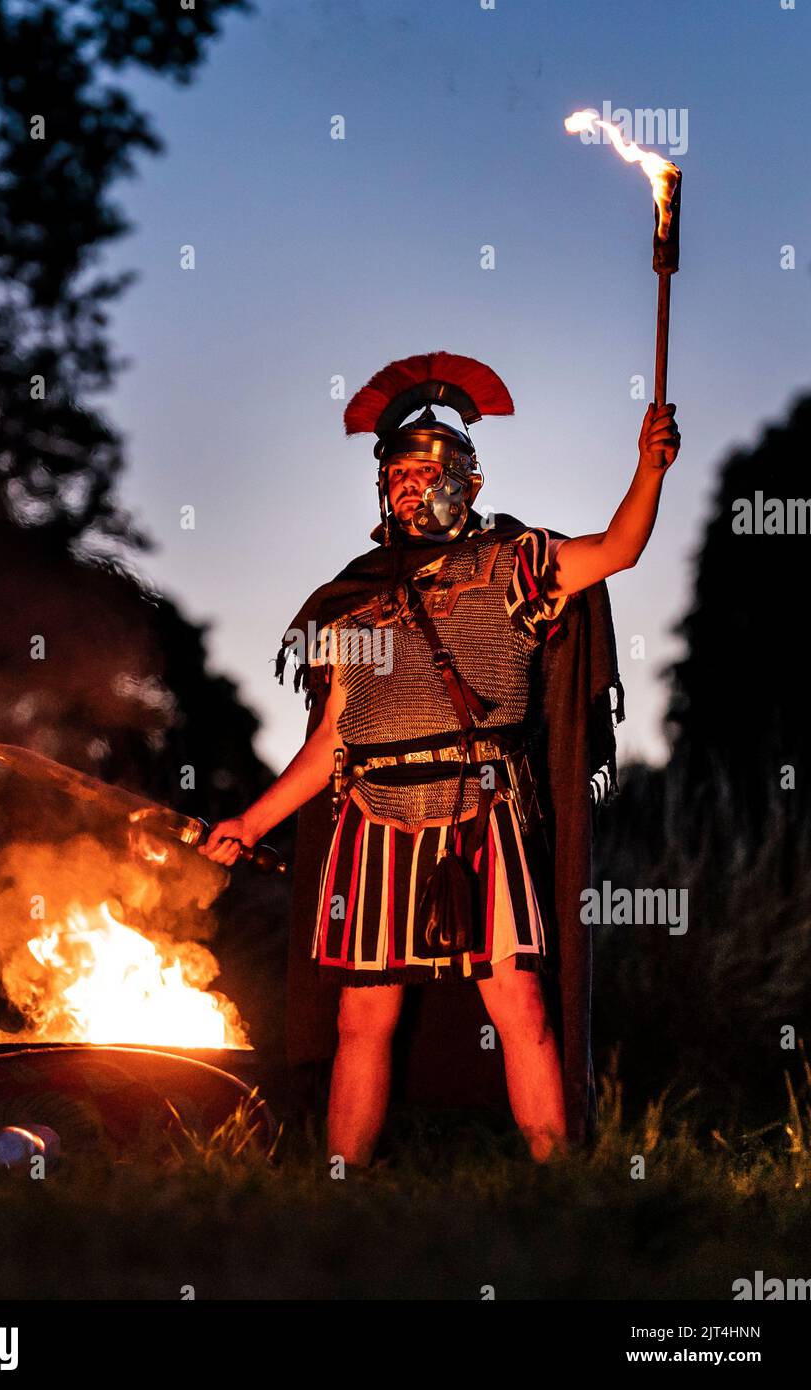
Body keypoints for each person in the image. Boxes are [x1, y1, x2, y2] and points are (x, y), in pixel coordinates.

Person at [200, 352, 680, 1166]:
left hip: (480, 808)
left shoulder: (514, 562)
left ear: (466, 480)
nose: (408, 492)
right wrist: (248, 822)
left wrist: (647, 469)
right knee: (363, 1017)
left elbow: (619, 548)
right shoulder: (355, 596)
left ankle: (560, 1183)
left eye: (424, 476)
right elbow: (334, 739)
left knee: (519, 1005)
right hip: (372, 821)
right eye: (397, 479)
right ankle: (341, 1185)